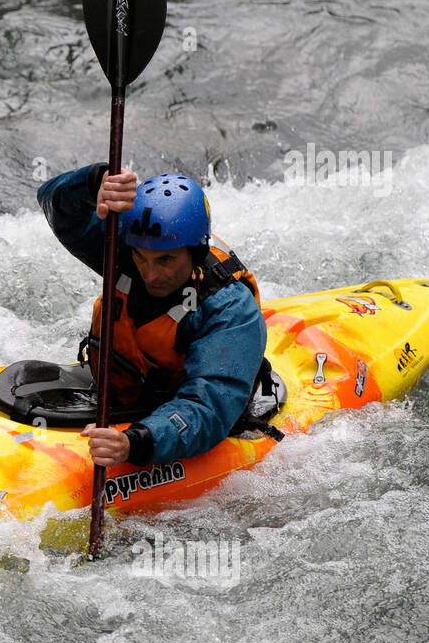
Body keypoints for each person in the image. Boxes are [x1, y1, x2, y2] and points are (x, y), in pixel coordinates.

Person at [36, 164, 268, 468]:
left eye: (166, 260)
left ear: (195, 252)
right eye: (141, 258)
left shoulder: (229, 308)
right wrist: (95, 184)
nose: (150, 274)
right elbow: (57, 208)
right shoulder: (127, 250)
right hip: (125, 400)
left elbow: (208, 407)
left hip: (174, 421)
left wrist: (136, 442)